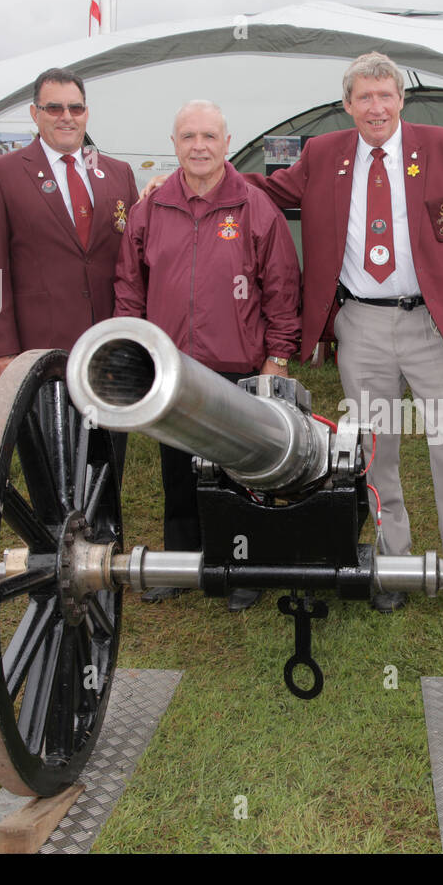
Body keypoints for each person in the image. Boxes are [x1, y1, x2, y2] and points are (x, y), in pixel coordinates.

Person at [247, 52, 443, 620]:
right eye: (365, 97)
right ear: (348, 104)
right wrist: (206, 171)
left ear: (401, 99)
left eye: (386, 95)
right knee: (375, 447)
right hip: (361, 322)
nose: (376, 106)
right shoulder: (323, 153)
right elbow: (271, 191)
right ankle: (392, 564)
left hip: (429, 321)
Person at [114, 100, 301, 611]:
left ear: (226, 142)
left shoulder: (254, 207)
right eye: (189, 136)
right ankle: (182, 562)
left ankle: (243, 566)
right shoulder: (149, 209)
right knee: (178, 469)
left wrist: (278, 357)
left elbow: (282, 287)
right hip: (170, 364)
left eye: (209, 137)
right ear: (174, 144)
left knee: (241, 470)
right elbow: (130, 286)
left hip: (238, 361)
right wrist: (134, 350)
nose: (199, 146)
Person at [0, 67, 138, 379]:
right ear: (35, 114)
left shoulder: (119, 173)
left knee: (107, 428)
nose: (67, 116)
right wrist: (0, 349)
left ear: (86, 113)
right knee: (49, 430)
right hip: (39, 349)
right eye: (54, 108)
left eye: (75, 108)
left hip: (110, 348)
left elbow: (132, 260)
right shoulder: (2, 174)